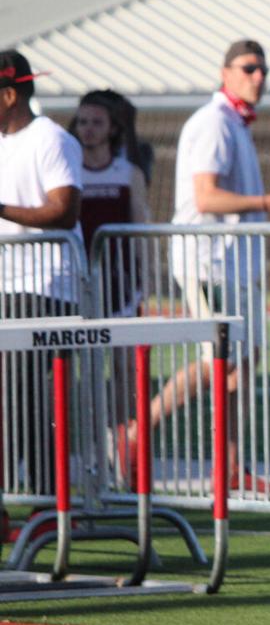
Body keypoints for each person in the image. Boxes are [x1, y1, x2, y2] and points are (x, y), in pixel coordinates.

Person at [124, 40, 270, 497]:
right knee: (224, 365)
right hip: (208, 262)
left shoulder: (236, 123)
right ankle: (136, 432)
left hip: (233, 263)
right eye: (249, 68)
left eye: (263, 69)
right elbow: (206, 197)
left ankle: (229, 466)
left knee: (241, 362)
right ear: (225, 72)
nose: (258, 77)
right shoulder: (212, 122)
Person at [0, 50, 83, 513]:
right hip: (6, 286)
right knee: (11, 406)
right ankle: (24, 504)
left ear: (10, 94)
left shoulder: (51, 138)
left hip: (45, 288)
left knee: (37, 408)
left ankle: (49, 507)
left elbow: (64, 209)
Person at [69, 90, 153, 486]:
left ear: (113, 128)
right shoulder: (67, 171)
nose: (88, 130)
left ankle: (125, 456)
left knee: (124, 376)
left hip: (120, 290)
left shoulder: (126, 174)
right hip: (76, 289)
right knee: (76, 376)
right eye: (83, 121)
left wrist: (146, 287)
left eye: (97, 122)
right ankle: (83, 461)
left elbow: (140, 232)